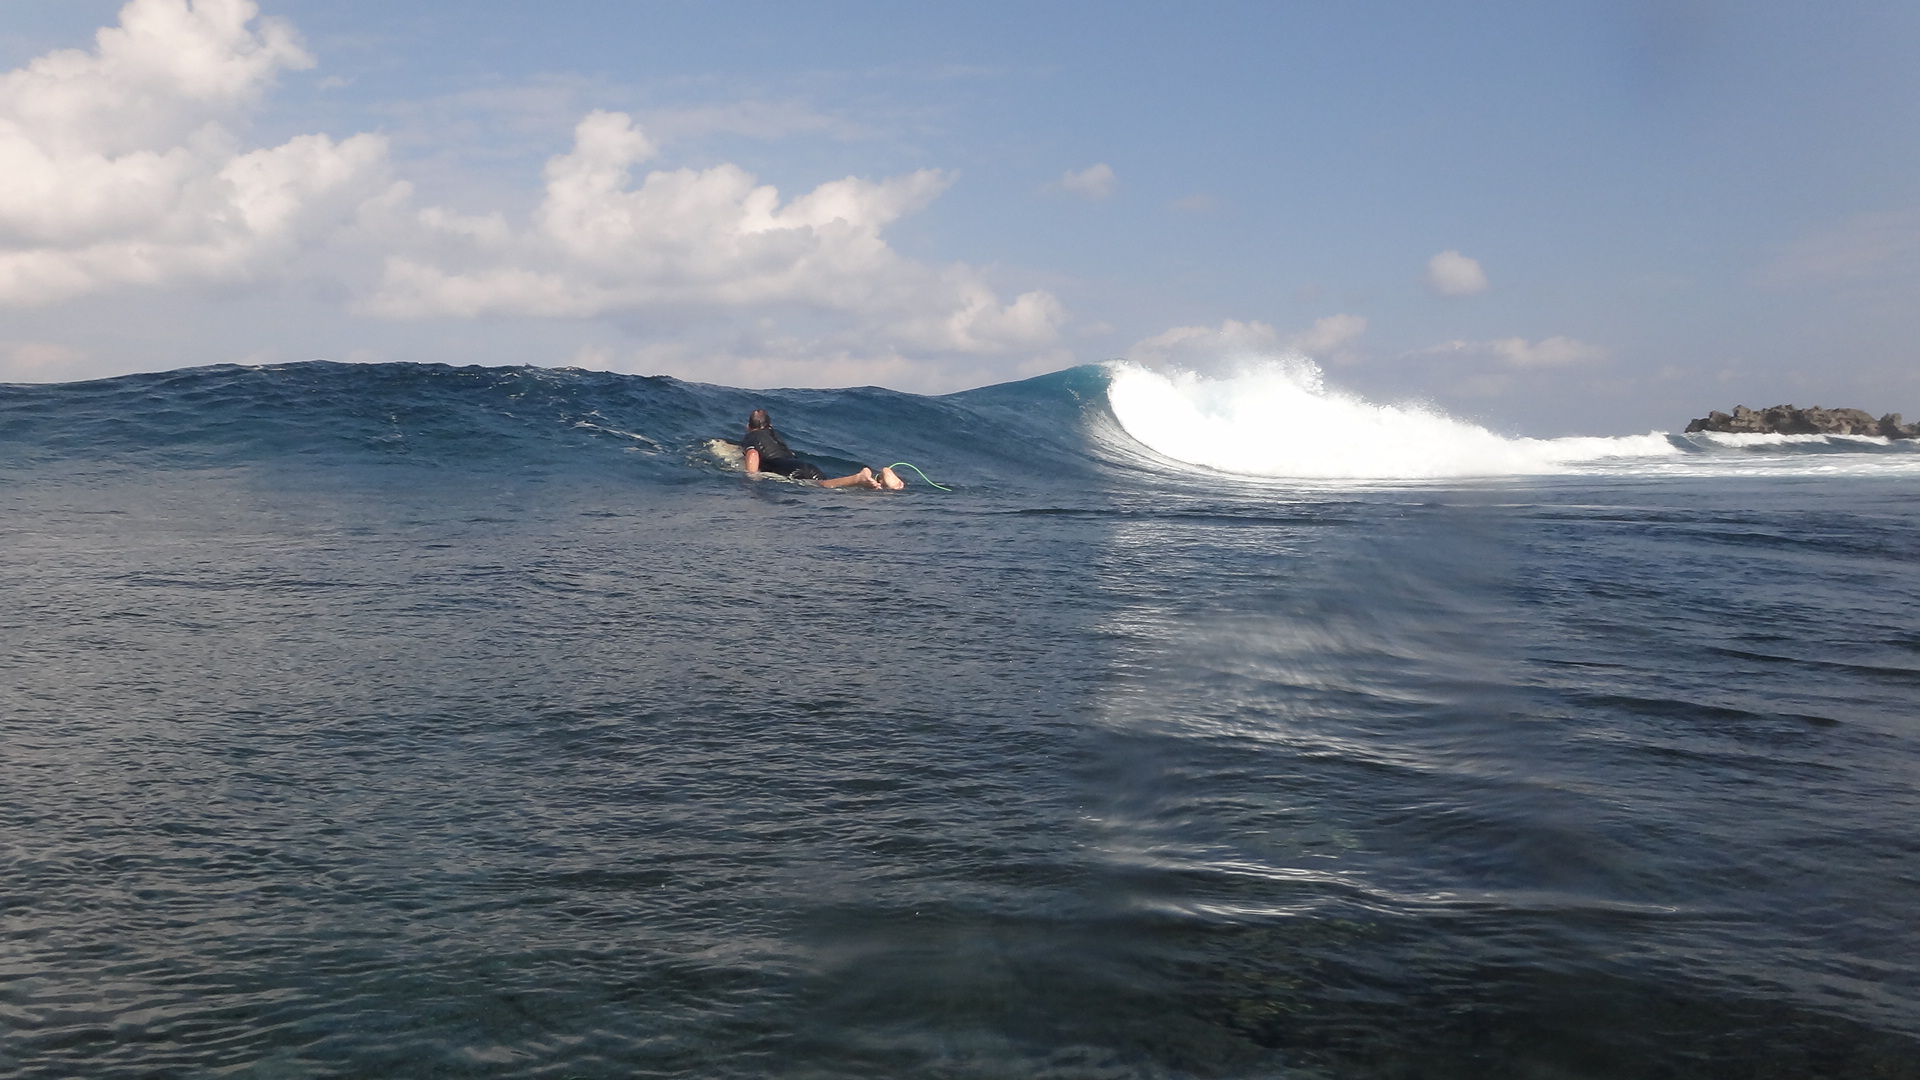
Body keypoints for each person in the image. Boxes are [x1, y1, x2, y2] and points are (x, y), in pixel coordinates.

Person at [740, 409, 904, 490]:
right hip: (802, 464)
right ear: (770, 425)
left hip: (791, 469)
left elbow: (753, 453)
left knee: (824, 487)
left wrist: (751, 477)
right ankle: (881, 479)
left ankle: (859, 478)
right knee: (830, 485)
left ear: (748, 427)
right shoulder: (774, 435)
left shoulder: (751, 436)